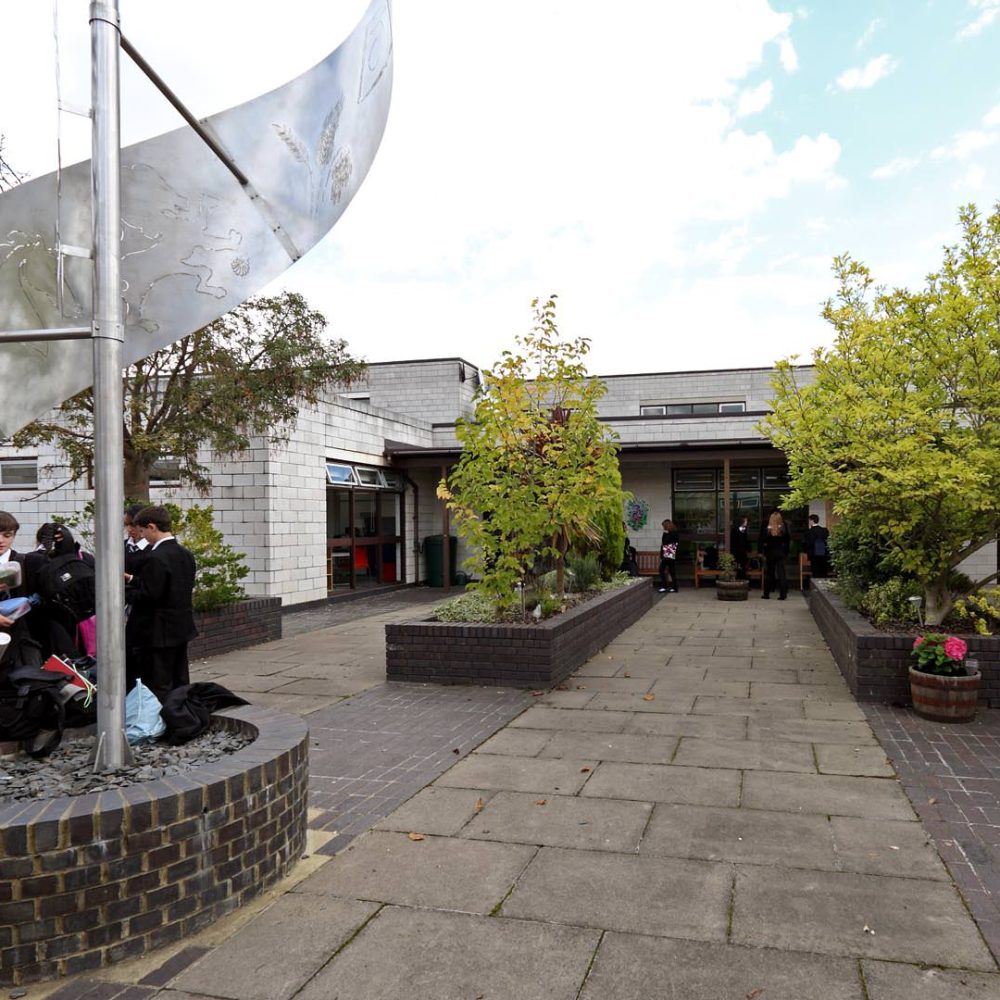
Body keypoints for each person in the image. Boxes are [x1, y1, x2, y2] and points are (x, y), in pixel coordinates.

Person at [125, 505, 197, 702]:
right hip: (180, 628)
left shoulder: (155, 557)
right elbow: (169, 586)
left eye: (142, 531)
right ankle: (184, 715)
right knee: (180, 679)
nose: (142, 537)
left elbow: (149, 596)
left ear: (151, 527)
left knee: (159, 683)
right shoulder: (185, 554)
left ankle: (163, 723)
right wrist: (132, 579)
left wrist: (122, 594)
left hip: (157, 633)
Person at [760, 510, 790, 600]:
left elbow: (763, 540)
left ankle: (766, 594)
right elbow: (787, 540)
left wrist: (763, 551)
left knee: (769, 573)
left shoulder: (768, 528)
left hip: (770, 552)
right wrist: (786, 552)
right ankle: (783, 594)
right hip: (780, 552)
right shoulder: (783, 527)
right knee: (781, 574)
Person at [805, 514, 830, 580]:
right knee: (824, 573)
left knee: (816, 573)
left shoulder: (809, 532)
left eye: (809, 520)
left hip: (814, 554)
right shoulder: (824, 530)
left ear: (811, 521)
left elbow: (808, 544)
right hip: (824, 554)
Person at [658, 518, 680, 594]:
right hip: (671, 554)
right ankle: (674, 587)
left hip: (669, 554)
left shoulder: (671, 534)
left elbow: (665, 543)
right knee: (672, 571)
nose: (663, 528)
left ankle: (664, 586)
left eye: (664, 526)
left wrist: (665, 534)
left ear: (667, 526)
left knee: (661, 570)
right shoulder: (674, 533)